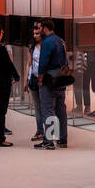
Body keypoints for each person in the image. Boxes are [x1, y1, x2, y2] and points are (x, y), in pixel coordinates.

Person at [35, 19, 69, 150]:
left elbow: (43, 64)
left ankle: (49, 140)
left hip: (49, 80)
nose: (39, 30)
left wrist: (40, 80)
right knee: (61, 110)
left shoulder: (47, 42)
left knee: (48, 110)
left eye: (40, 28)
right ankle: (62, 139)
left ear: (45, 28)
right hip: (61, 79)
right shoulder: (61, 41)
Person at [27, 21, 46, 141]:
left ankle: (51, 132)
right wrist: (26, 81)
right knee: (37, 107)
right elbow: (29, 63)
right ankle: (39, 130)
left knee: (47, 106)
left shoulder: (47, 44)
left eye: (37, 33)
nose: (35, 35)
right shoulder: (31, 46)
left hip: (45, 79)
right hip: (33, 78)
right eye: (34, 33)